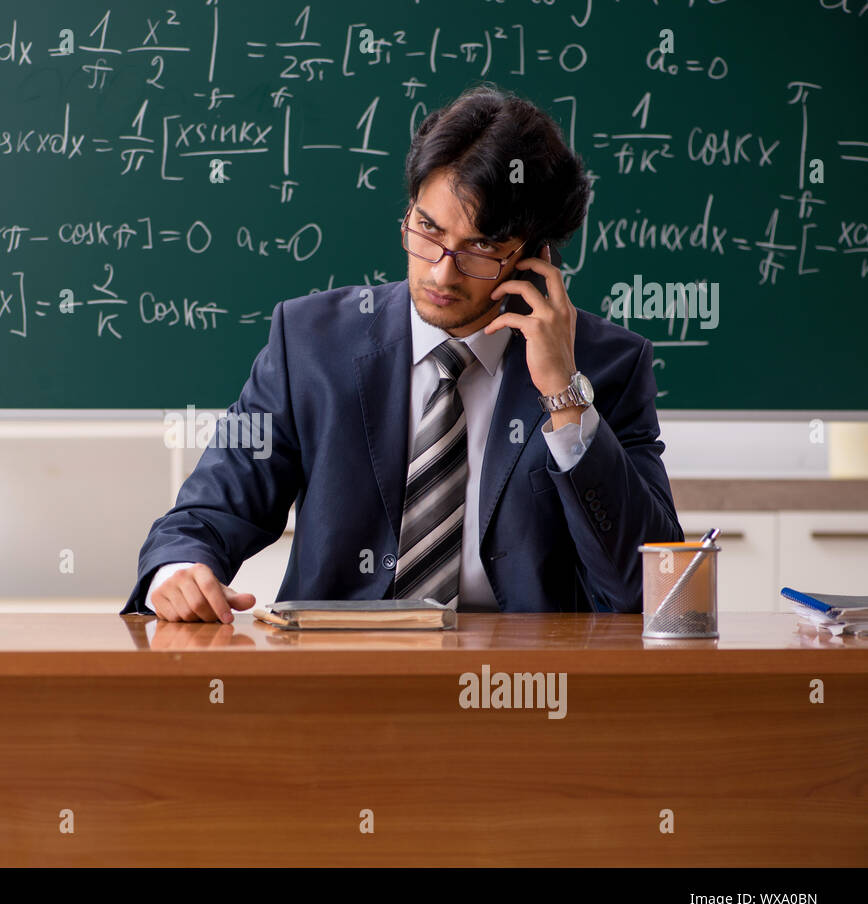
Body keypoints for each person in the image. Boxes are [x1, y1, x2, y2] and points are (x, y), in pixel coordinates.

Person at [122, 84, 682, 622]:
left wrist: (564, 395)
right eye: (427, 230)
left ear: (534, 260)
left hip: (529, 690)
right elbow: (210, 510)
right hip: (341, 682)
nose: (441, 271)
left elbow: (644, 586)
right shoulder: (311, 343)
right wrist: (179, 568)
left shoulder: (607, 366)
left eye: (480, 248)